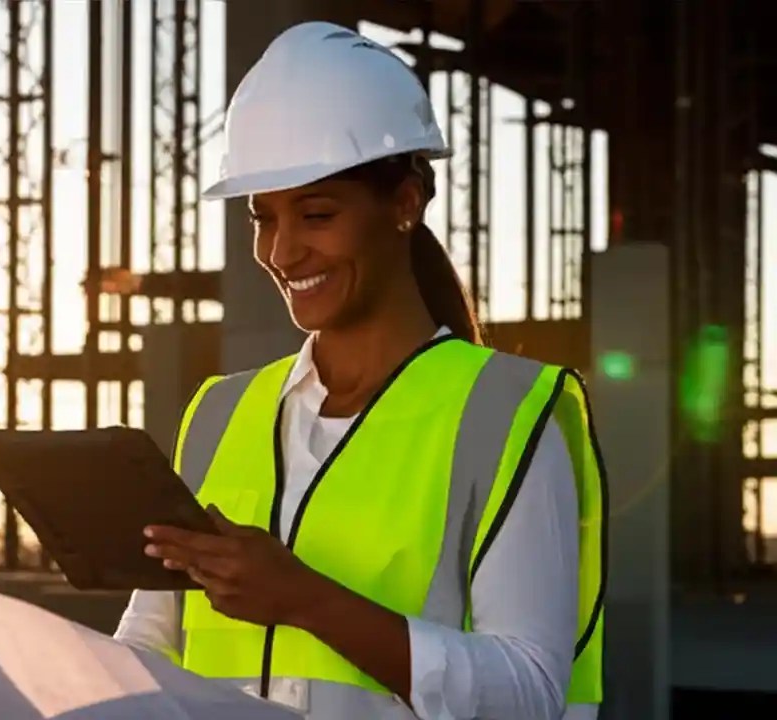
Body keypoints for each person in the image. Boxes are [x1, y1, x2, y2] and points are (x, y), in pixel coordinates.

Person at [113, 21, 605, 720]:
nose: (282, 253)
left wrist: (307, 600)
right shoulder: (219, 415)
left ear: (404, 204)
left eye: (316, 215)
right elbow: (148, 650)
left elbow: (529, 692)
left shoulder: (506, 413)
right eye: (262, 218)